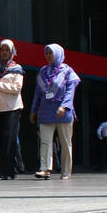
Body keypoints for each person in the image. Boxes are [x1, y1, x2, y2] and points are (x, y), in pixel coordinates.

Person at [30, 43, 80, 180]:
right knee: (45, 142)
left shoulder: (68, 71)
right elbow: (38, 93)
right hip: (45, 111)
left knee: (65, 143)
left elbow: (70, 92)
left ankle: (66, 172)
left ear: (58, 53)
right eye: (46, 53)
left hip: (62, 111)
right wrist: (33, 110)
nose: (48, 56)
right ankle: (44, 169)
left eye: (51, 53)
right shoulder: (42, 71)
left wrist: (64, 106)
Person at [0, 39, 24, 179]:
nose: (4, 52)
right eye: (1, 49)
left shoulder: (17, 68)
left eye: (7, 50)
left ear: (12, 52)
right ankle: (8, 169)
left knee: (8, 139)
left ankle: (7, 171)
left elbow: (17, 88)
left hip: (12, 107)